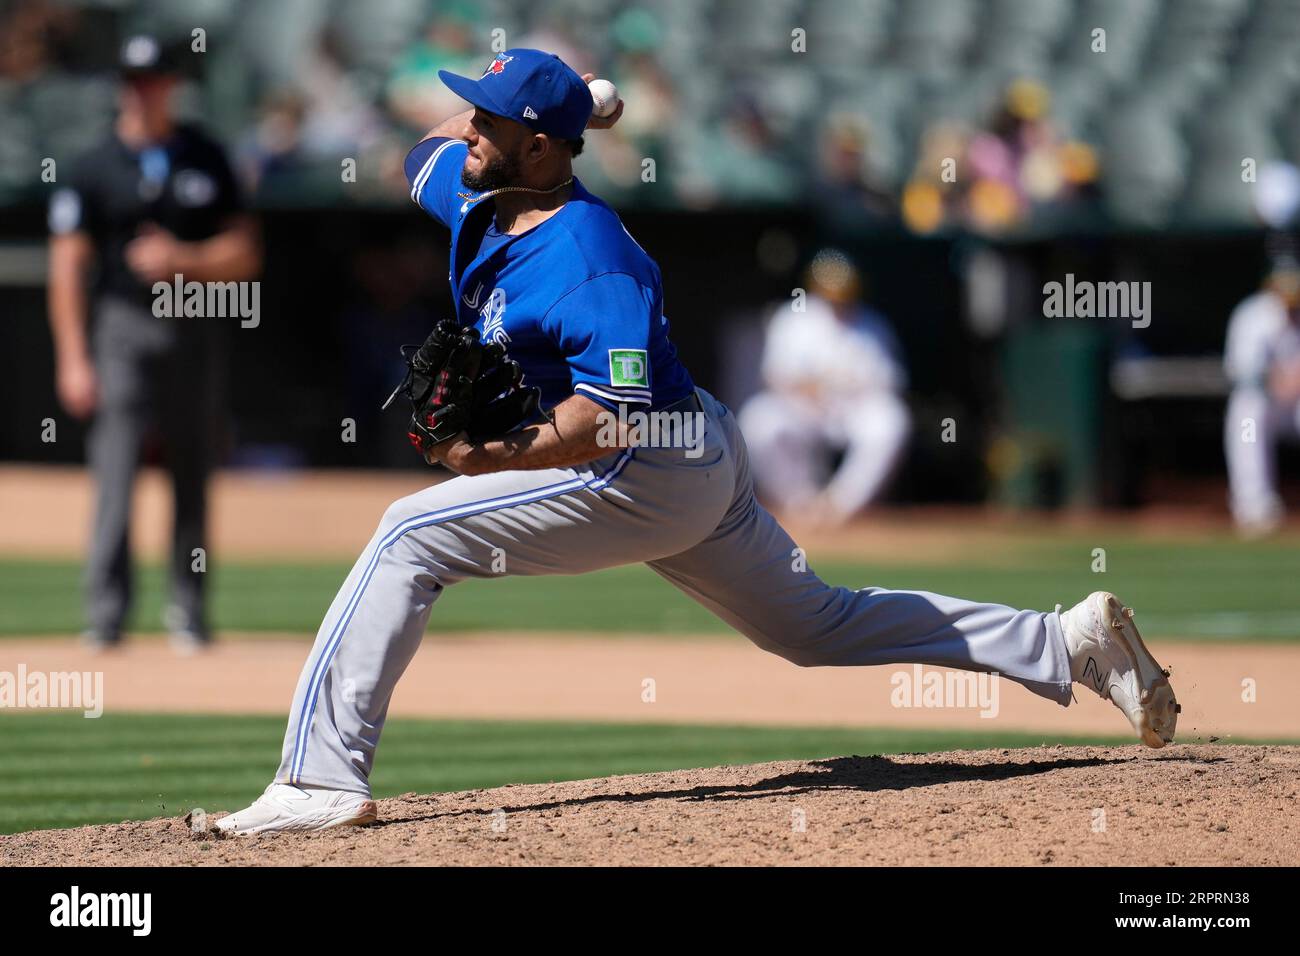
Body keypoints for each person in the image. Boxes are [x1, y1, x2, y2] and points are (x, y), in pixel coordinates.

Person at [217, 49, 1178, 834]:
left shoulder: (595, 260)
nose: (469, 131)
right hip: (695, 449)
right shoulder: (479, 185)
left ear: (544, 150)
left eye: (491, 121)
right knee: (813, 627)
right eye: (474, 115)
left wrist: (488, 459)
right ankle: (1068, 644)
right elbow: (421, 147)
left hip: (648, 462)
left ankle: (317, 782)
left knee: (406, 534)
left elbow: (612, 416)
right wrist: (575, 100)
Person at [46, 36, 261, 653]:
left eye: (153, 79)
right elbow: (67, 269)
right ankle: (106, 615)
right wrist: (73, 357)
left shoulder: (205, 155)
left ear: (170, 84)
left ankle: (188, 612)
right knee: (115, 473)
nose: (143, 91)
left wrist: (182, 259)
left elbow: (245, 253)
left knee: (192, 472)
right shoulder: (92, 165)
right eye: (133, 80)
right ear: (122, 87)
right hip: (121, 325)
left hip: (193, 320)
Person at [739, 249, 910, 526]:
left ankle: (841, 505)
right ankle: (801, 502)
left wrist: (848, 387)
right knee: (759, 419)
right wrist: (812, 387)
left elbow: (891, 381)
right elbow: (774, 376)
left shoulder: (871, 323)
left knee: (892, 420)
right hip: (805, 411)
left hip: (852, 411)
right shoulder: (794, 317)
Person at [1223, 257, 1300, 535]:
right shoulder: (1252, 315)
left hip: (1295, 408)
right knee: (1248, 414)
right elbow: (1245, 373)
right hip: (1264, 403)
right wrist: (1279, 379)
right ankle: (1254, 506)